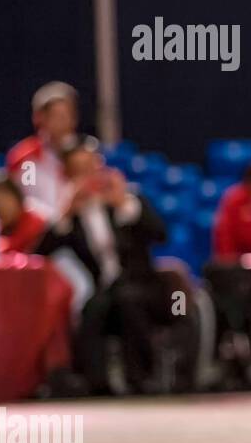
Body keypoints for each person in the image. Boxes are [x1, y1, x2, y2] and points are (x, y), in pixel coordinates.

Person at [36, 136, 169, 393]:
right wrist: (65, 213)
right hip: (105, 292)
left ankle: (141, 378)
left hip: (146, 289)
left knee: (127, 301)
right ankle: (96, 382)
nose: (89, 176)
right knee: (93, 309)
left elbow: (160, 234)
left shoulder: (127, 201)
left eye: (92, 168)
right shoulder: (74, 218)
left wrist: (124, 204)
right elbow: (41, 253)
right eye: (80, 171)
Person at [5, 81, 79, 219]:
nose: (65, 122)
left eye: (68, 115)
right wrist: (63, 213)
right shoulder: (27, 161)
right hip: (42, 234)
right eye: (58, 116)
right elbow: (27, 204)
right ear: (39, 118)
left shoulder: (84, 155)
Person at [0, 171, 48, 253]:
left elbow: (14, 247)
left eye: (3, 199)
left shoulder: (34, 214)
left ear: (15, 195)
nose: (1, 207)